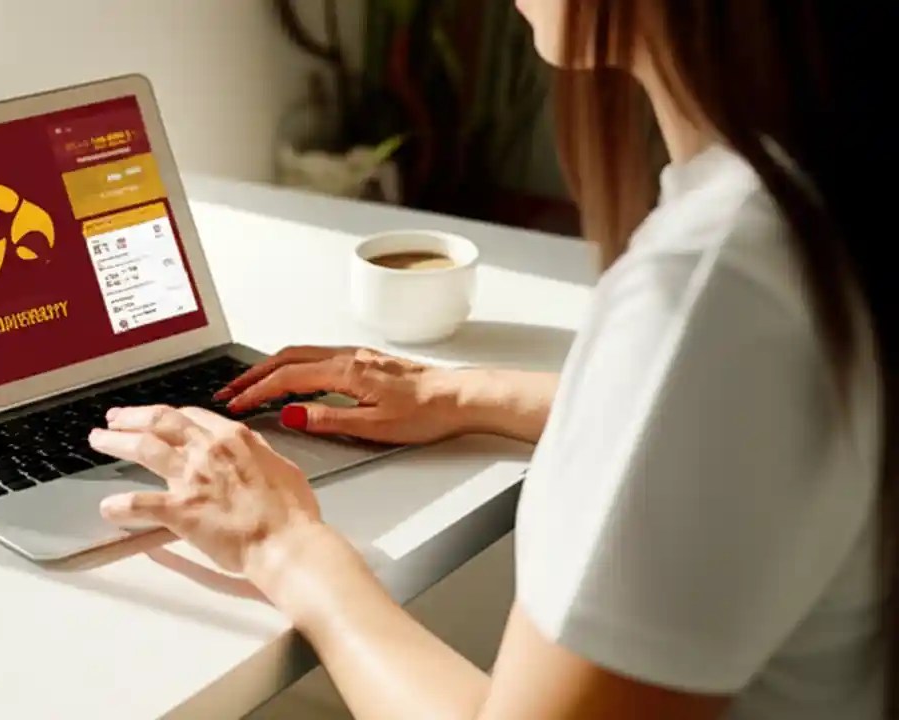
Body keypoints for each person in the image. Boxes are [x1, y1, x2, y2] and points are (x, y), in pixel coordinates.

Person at [88, 2, 895, 718]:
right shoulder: (810, 191)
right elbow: (742, 433)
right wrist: (468, 394)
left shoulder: (717, 289)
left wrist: (284, 545)